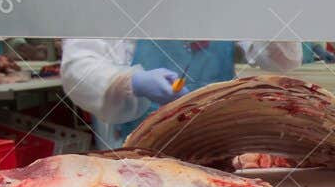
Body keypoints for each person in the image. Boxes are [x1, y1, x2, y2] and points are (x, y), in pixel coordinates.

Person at [61, 39, 301, 149]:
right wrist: (130, 82)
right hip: (136, 151)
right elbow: (78, 70)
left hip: (216, 146)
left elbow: (283, 59)